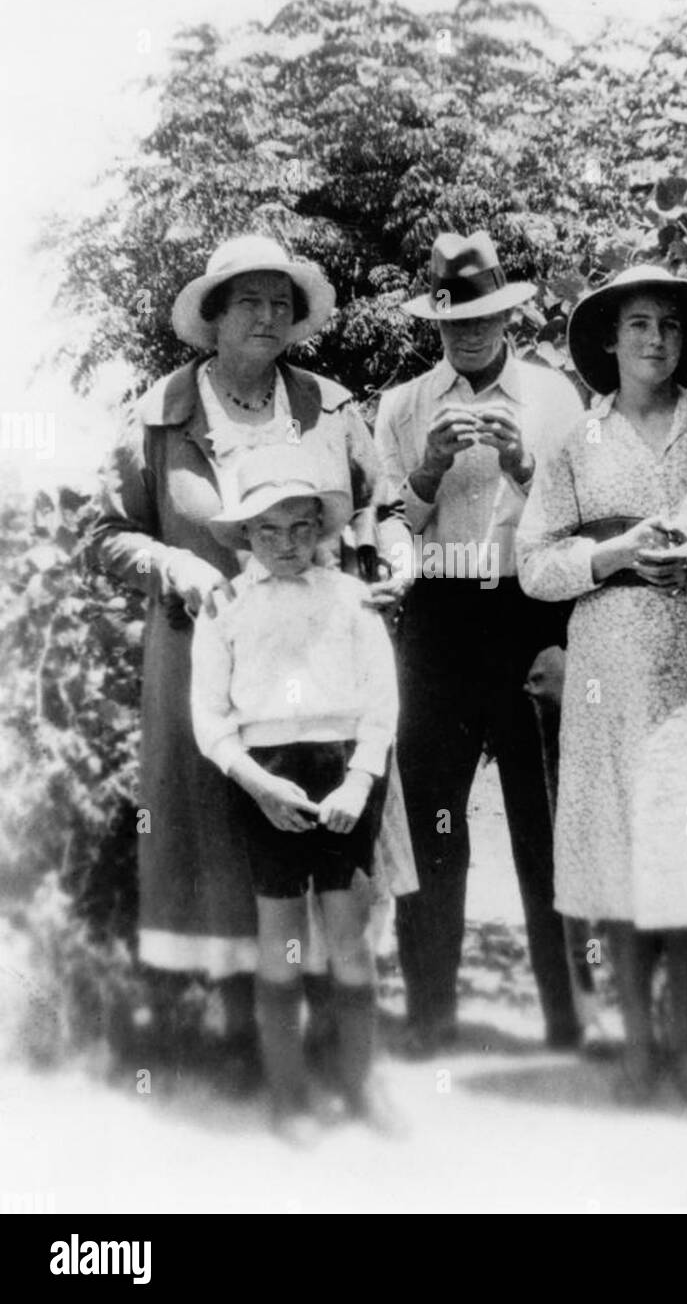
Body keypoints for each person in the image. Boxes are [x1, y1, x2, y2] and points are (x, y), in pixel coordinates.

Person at [89, 233, 405, 1075]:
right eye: (249, 303)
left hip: (326, 667)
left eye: (281, 304)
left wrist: (396, 561)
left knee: (332, 838)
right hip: (209, 660)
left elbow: (387, 511)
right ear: (215, 318)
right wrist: (174, 561)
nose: (268, 319)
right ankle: (244, 1045)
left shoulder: (330, 407)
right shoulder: (161, 414)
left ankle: (337, 1052)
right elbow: (106, 533)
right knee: (223, 845)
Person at [516, 264, 687, 1104]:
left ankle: (683, 1046)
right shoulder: (575, 446)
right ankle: (637, 1046)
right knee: (622, 855)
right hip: (610, 669)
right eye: (638, 324)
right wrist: (612, 554)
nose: (654, 341)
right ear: (609, 338)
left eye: (669, 327)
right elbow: (533, 566)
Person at [375, 230, 585, 1056]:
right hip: (438, 621)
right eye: (453, 318)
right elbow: (385, 529)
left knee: (545, 819)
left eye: (483, 315)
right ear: (437, 323)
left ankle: (570, 1017)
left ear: (507, 314)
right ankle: (430, 1016)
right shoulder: (402, 406)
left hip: (530, 610)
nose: (468, 332)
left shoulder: (556, 399)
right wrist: (425, 474)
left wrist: (528, 466)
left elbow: (579, 516)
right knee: (433, 820)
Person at [190, 443, 400, 1142]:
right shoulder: (223, 607)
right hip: (263, 776)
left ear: (323, 528)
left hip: (342, 772)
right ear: (244, 535)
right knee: (280, 938)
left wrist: (361, 779)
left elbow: (380, 702)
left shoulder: (352, 600)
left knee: (348, 937)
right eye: (269, 530)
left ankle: (361, 1084)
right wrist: (255, 781)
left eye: (302, 528)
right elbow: (210, 719)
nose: (287, 544)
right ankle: (288, 1097)